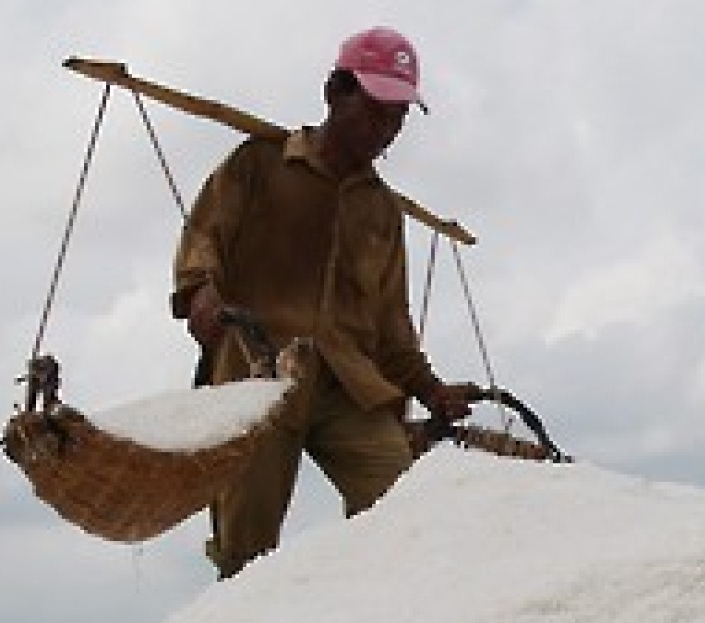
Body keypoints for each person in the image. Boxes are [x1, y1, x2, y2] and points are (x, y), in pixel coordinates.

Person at [171, 26, 477, 579]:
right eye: (376, 109)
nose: (386, 129)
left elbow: (392, 328)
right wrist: (201, 293)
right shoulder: (259, 163)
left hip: (350, 384)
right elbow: (203, 242)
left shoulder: (382, 210)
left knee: (403, 502)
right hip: (257, 374)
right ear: (336, 92)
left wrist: (430, 389)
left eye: (398, 117)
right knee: (247, 551)